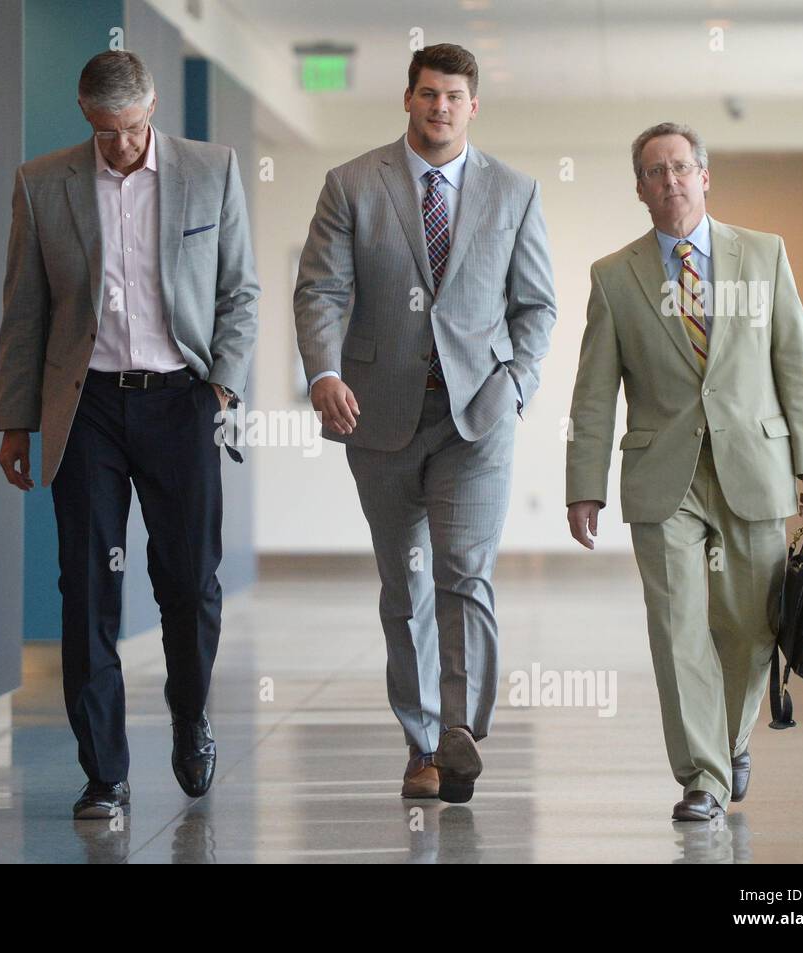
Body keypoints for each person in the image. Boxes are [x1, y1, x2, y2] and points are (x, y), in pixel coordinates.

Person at [0, 50, 259, 820]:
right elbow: (24, 312)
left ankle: (190, 713)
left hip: (181, 400)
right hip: (88, 410)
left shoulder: (212, 170)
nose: (118, 147)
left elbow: (239, 290)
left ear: (150, 111)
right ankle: (105, 771)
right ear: (86, 117)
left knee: (190, 582)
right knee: (85, 586)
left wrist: (221, 388)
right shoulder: (42, 183)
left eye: (131, 129)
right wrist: (16, 419)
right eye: (104, 133)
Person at [294, 43, 556, 803]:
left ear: (474, 106)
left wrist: (516, 383)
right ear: (407, 99)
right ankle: (420, 741)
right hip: (379, 416)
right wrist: (324, 372)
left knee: (464, 573)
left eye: (454, 97)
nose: (441, 107)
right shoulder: (351, 185)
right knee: (404, 584)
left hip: (477, 418)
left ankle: (460, 734)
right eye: (428, 94)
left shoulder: (515, 191)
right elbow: (319, 291)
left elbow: (536, 306)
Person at [565, 122, 803, 821]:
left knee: (752, 625)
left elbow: (794, 365)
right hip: (663, 474)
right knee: (678, 624)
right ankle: (703, 777)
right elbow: (594, 392)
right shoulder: (614, 277)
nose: (670, 181)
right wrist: (583, 484)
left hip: (755, 463)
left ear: (704, 177)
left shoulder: (764, 256)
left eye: (681, 167)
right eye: (655, 172)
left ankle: (731, 737)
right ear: (640, 189)